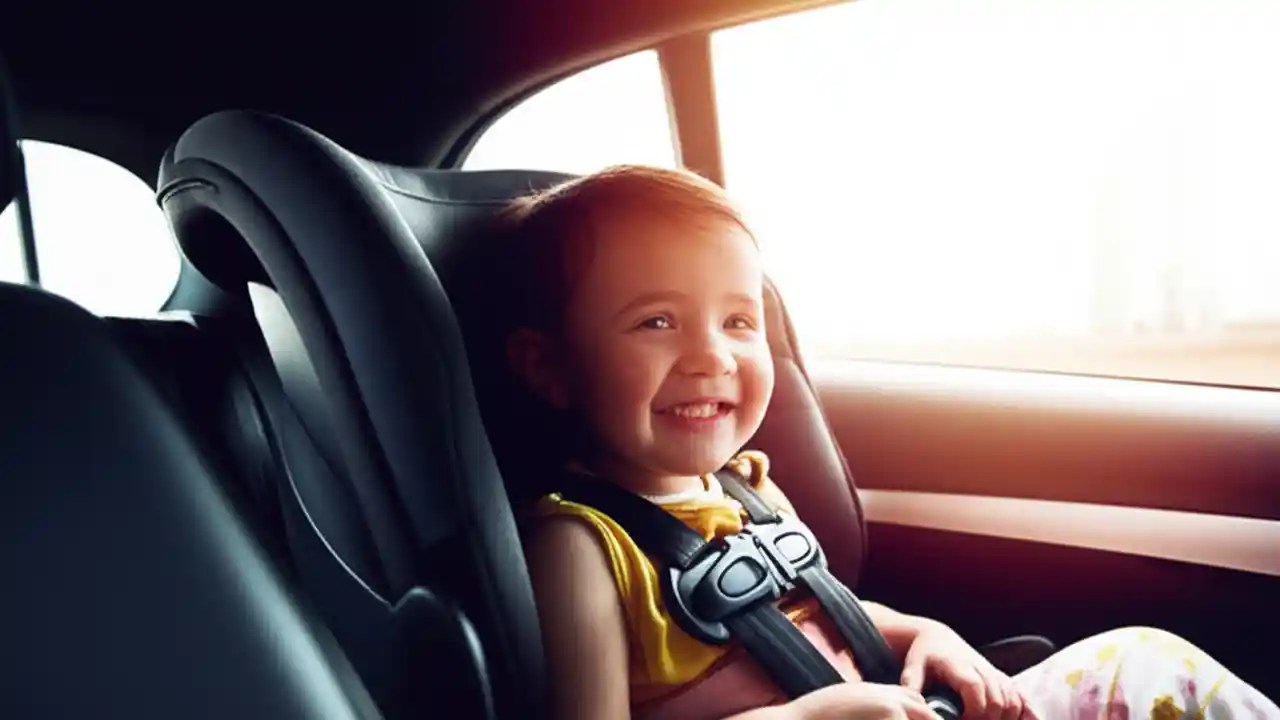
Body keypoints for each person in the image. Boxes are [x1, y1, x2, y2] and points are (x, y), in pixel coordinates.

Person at [495, 164, 1279, 720]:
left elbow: (814, 618)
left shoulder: (747, 489)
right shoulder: (581, 546)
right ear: (549, 367)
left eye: (739, 321)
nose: (713, 355)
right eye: (657, 321)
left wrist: (923, 633)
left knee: (1142, 661)